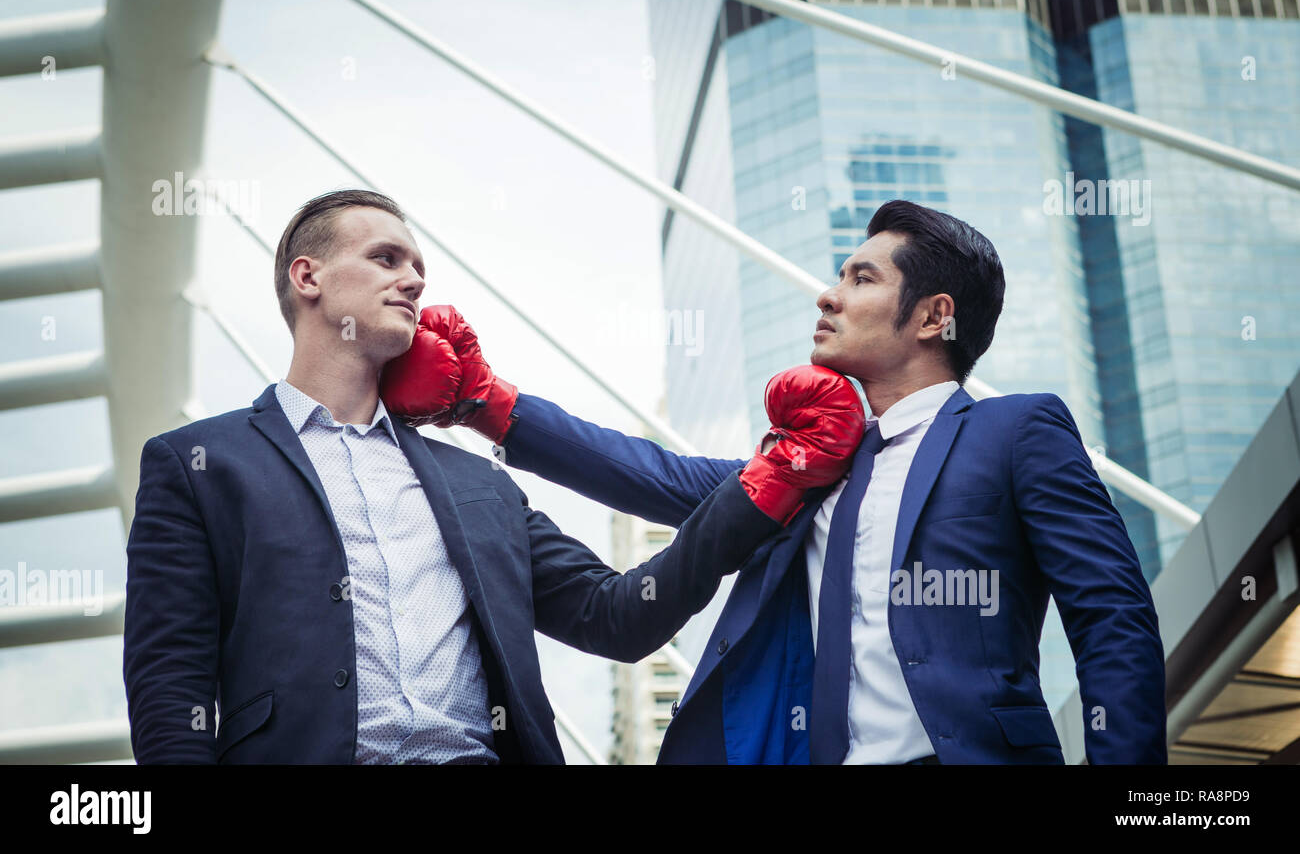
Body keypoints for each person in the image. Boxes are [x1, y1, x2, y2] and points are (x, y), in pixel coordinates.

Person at [382, 199, 1168, 764]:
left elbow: (1112, 616)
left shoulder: (1015, 432)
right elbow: (653, 473)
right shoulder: (813, 466)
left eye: (861, 279)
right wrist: (487, 405)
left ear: (933, 318)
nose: (828, 294)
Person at [122, 188, 864, 764]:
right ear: (307, 276)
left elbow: (619, 615)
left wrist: (766, 486)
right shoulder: (200, 465)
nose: (413, 280)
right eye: (386, 259)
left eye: (419, 268)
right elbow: (169, 691)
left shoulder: (477, 485)